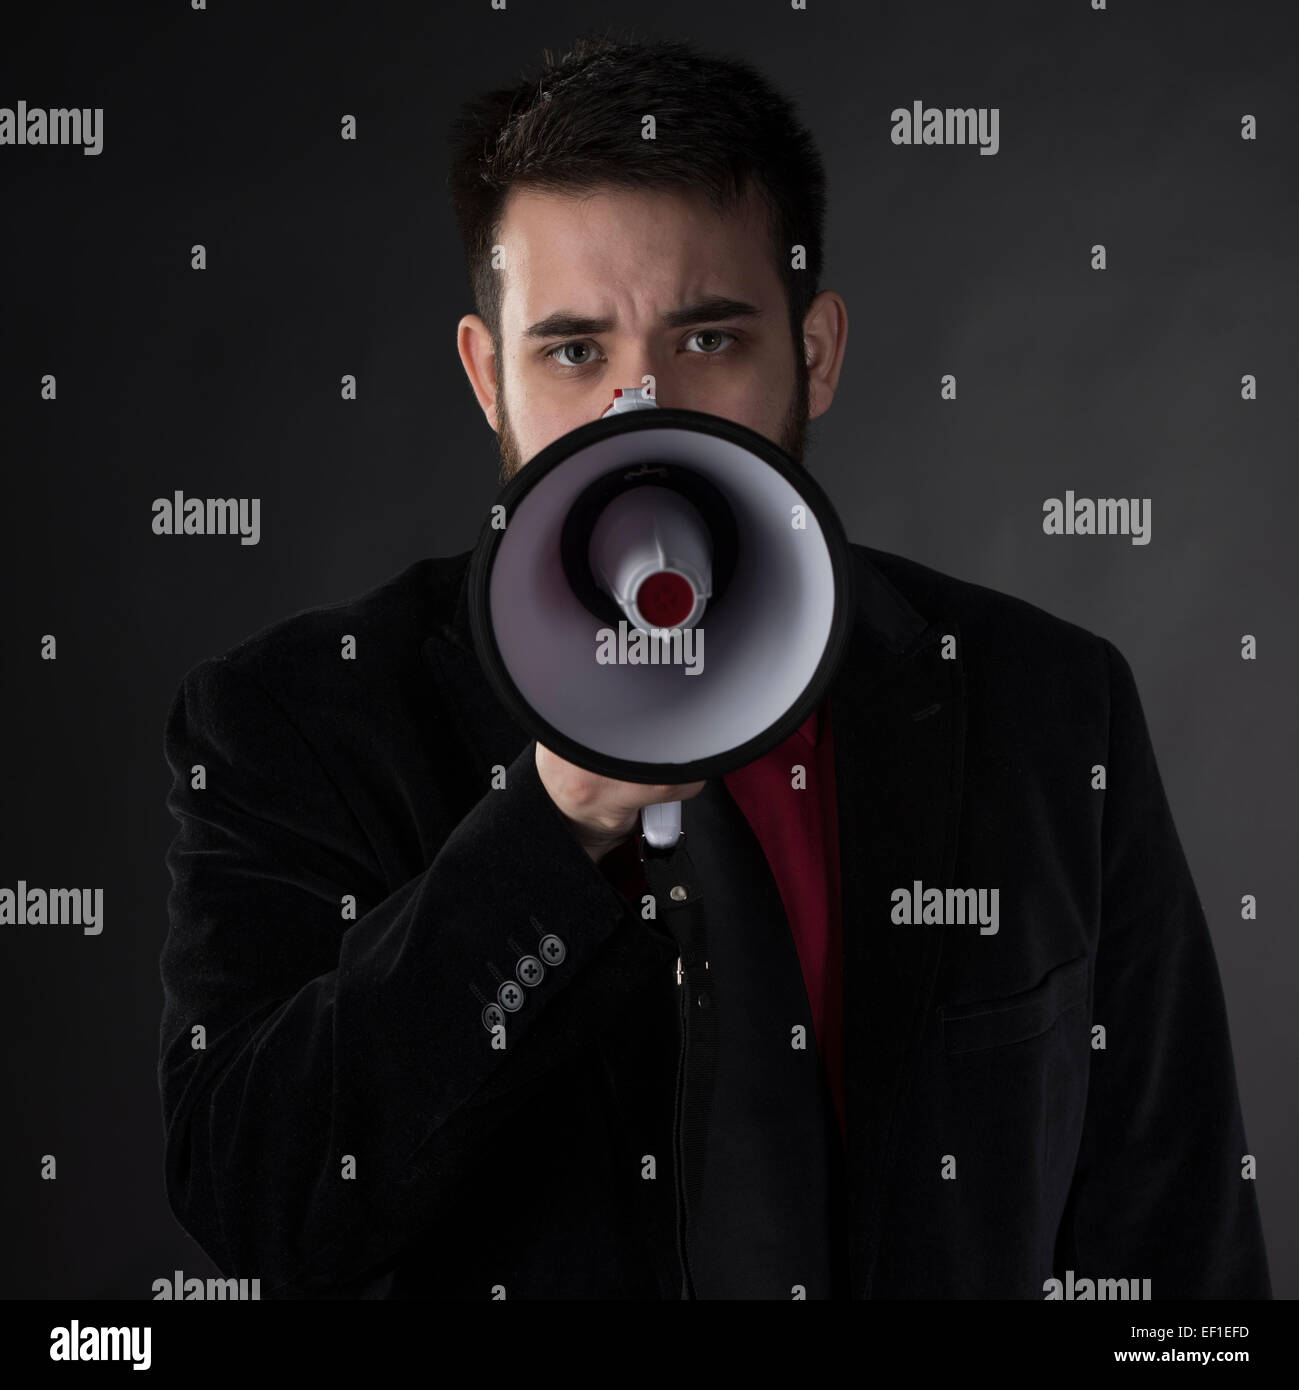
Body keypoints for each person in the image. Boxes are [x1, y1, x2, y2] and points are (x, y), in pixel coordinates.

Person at [158, 34, 1271, 1299]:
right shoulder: (298, 718)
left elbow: (1178, 1243)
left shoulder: (1046, 704)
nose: (646, 410)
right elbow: (259, 1201)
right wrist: (555, 815)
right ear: (487, 377)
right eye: (574, 351)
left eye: (710, 338)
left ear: (819, 351)